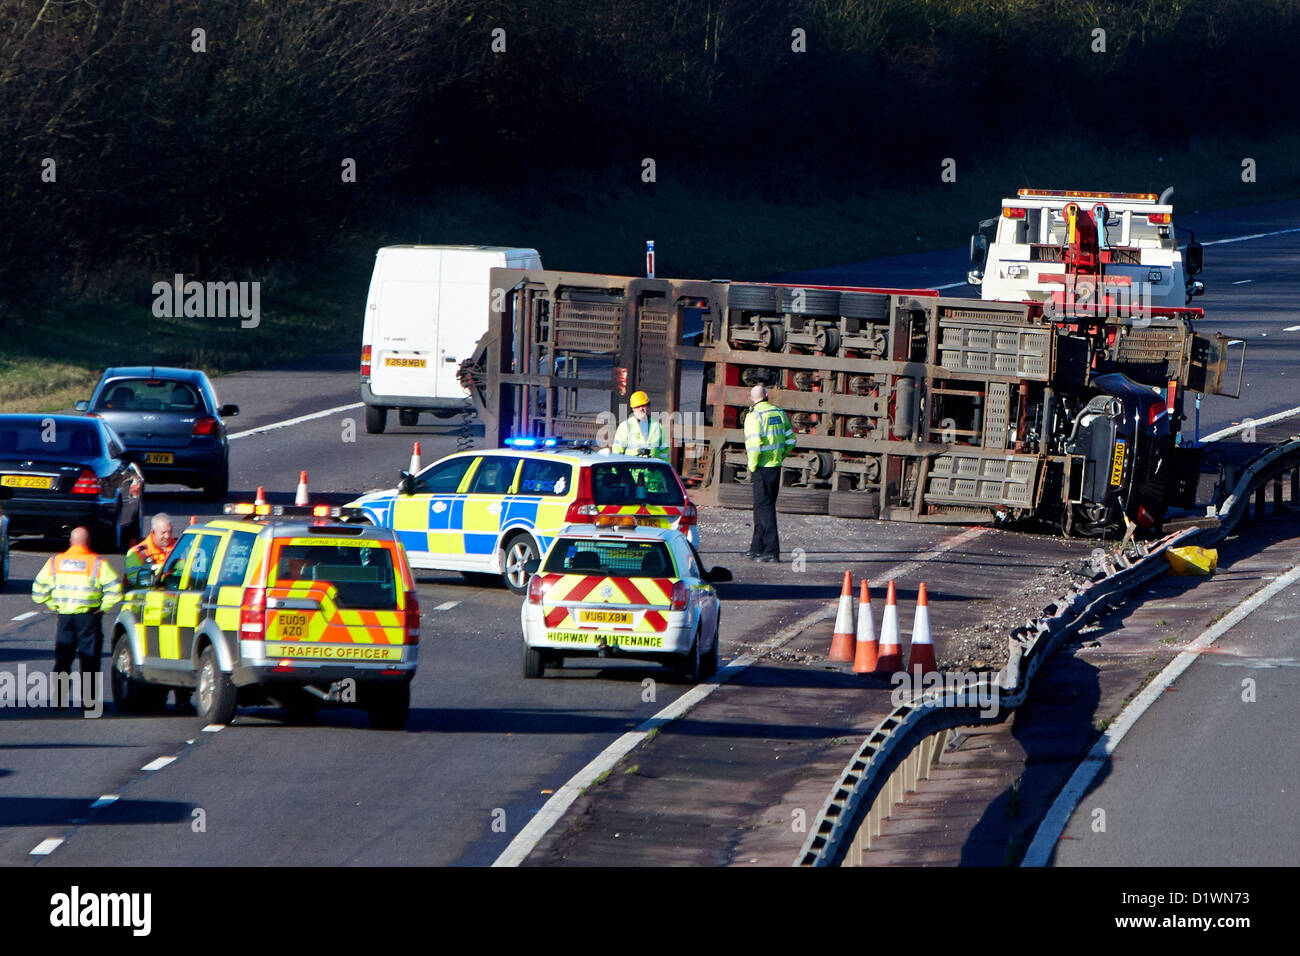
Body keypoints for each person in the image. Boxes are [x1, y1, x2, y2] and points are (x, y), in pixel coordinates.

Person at [31, 527, 122, 709]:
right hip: (89, 618)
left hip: (65, 617)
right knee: (89, 659)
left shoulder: (55, 562)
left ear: (71, 542)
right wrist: (102, 608)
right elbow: (115, 591)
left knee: (63, 658)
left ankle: (59, 699)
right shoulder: (97, 563)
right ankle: (89, 702)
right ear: (88, 542)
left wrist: (53, 604)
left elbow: (38, 592)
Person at [743, 385, 795, 562]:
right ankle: (756, 547)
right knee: (762, 507)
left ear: (751, 398)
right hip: (775, 465)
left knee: (764, 509)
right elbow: (791, 439)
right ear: (766, 395)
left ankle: (772, 551)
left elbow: (754, 444)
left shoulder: (754, 416)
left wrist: (753, 465)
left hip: (761, 466)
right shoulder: (778, 412)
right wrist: (780, 456)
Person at [612, 390, 670, 462]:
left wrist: (663, 469)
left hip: (653, 472)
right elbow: (617, 453)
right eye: (637, 406)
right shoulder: (625, 427)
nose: (641, 409)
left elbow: (665, 453)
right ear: (633, 408)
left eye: (643, 405)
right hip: (631, 472)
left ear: (647, 406)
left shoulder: (657, 427)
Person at [125, 512, 175, 577]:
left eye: (170, 532)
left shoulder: (179, 547)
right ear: (153, 532)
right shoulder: (136, 553)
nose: (167, 536)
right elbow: (134, 578)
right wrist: (162, 569)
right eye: (163, 533)